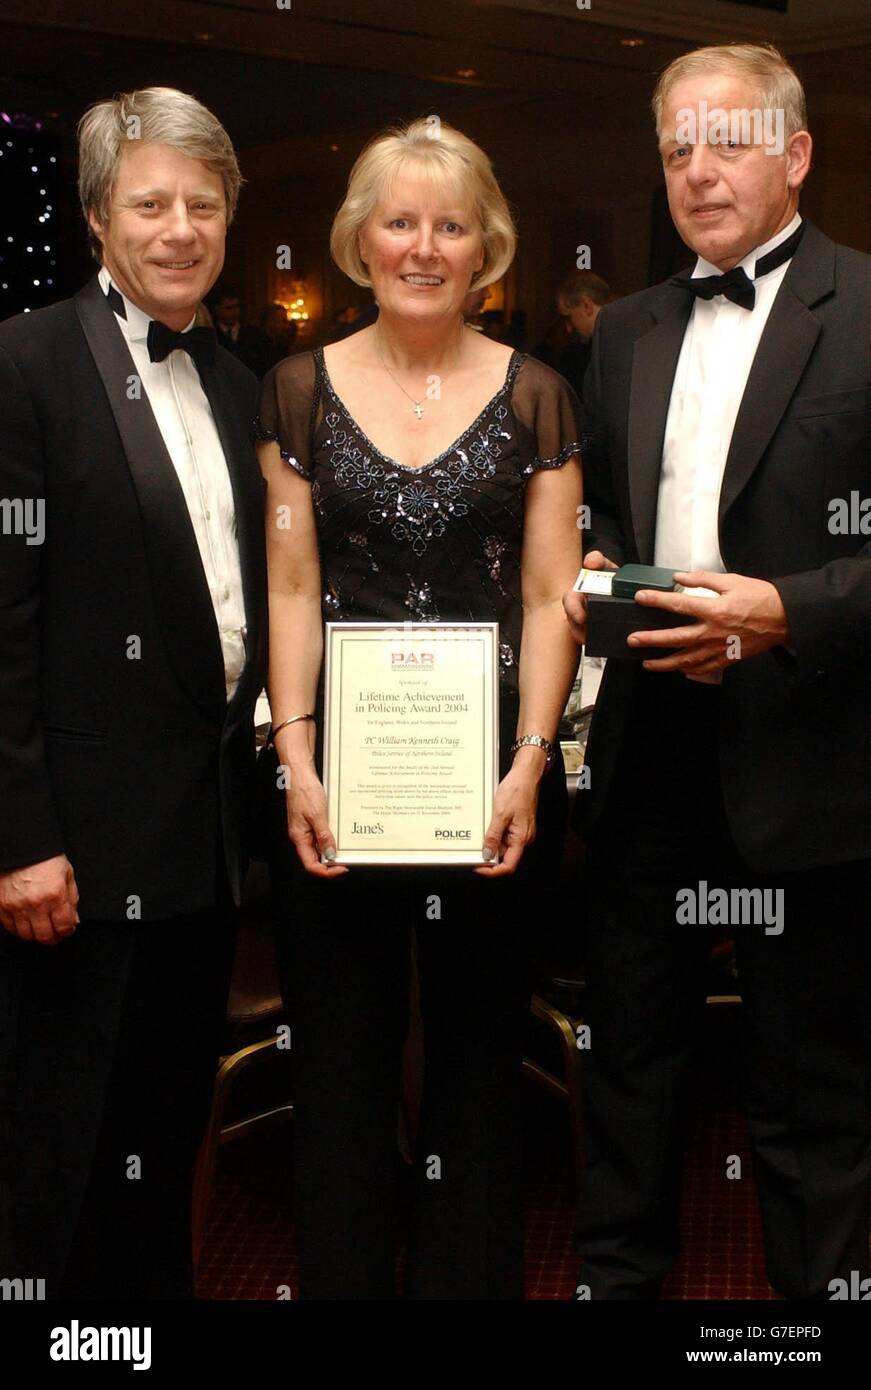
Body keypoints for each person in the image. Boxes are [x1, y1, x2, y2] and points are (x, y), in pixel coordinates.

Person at [563, 42, 871, 1300]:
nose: (697, 167)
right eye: (677, 144)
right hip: (649, 760)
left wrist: (788, 611)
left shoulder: (865, 308)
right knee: (630, 1082)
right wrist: (593, 564)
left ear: (795, 153)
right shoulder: (628, 327)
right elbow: (603, 528)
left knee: (812, 1105)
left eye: (727, 138)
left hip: (811, 761)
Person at [256, 117, 583, 1299]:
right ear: (360, 238)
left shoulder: (539, 394)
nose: (423, 245)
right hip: (335, 787)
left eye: (450, 224)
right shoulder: (294, 391)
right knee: (338, 1070)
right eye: (400, 220)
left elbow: (550, 594)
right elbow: (291, 582)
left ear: (486, 244)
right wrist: (293, 754)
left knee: (473, 1072)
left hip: (488, 787)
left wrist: (531, 764)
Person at [0, 86, 267, 1299]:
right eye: (149, 202)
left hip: (204, 849)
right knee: (55, 1161)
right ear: (97, 216)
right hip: (73, 863)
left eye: (202, 204)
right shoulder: (25, 363)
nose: (179, 229)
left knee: (160, 1151)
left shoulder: (237, 381)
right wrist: (22, 840)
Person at [238, 302, 297, 379]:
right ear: (271, 321)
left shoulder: (281, 343)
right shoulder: (254, 346)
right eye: (283, 321)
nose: (286, 326)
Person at [211, 285, 243, 353]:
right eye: (229, 308)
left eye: (236, 307)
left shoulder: (253, 334)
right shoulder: (212, 336)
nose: (234, 312)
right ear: (217, 309)